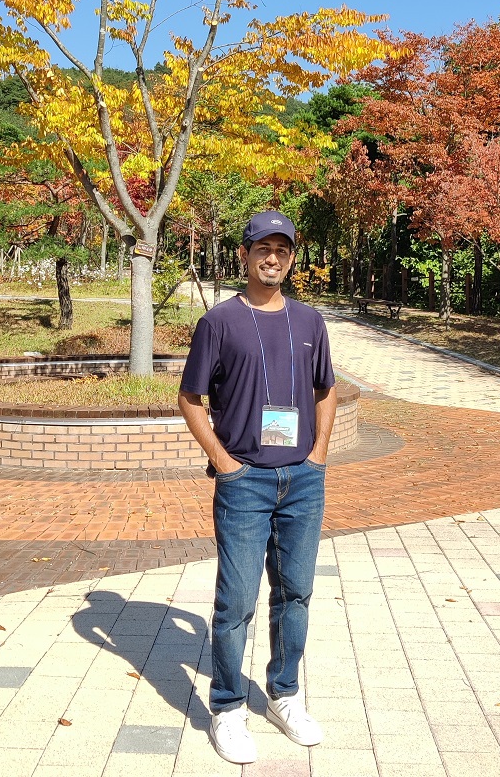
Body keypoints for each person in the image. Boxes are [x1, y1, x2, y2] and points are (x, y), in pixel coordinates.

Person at [178, 210, 337, 766]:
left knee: (295, 593)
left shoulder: (310, 321)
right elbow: (189, 399)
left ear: (293, 258)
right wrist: (223, 462)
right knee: (237, 600)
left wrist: (317, 455)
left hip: (301, 481)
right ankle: (226, 708)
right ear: (243, 255)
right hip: (244, 481)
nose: (273, 258)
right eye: (262, 249)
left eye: (283, 250)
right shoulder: (219, 322)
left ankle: (284, 695)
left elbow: (326, 391)